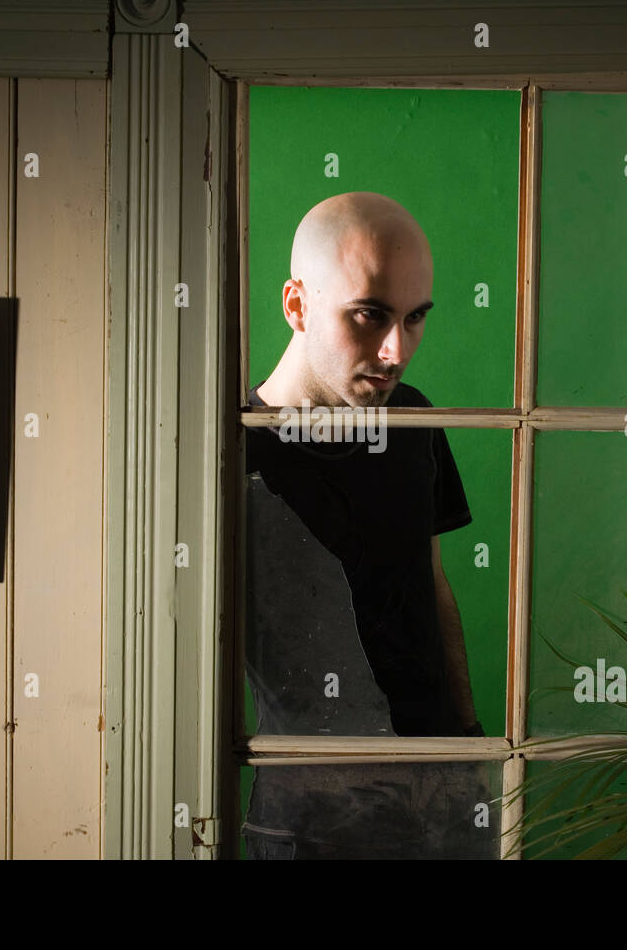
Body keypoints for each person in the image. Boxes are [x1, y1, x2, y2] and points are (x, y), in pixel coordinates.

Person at [243, 192, 491, 859]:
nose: (394, 350)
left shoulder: (411, 419)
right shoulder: (235, 451)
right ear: (296, 305)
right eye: (369, 315)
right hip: (308, 814)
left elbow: (431, 585)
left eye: (414, 320)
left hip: (438, 796)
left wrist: (468, 750)